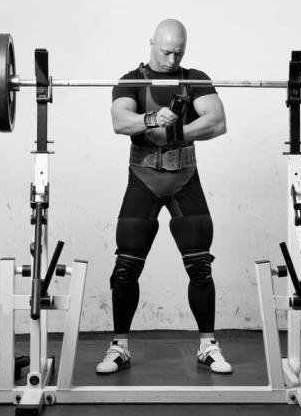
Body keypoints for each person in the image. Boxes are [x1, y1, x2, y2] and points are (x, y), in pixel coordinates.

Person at [97, 19, 231, 375]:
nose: (172, 58)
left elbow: (217, 122)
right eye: (165, 50)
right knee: (125, 267)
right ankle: (119, 346)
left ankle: (208, 345)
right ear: (151, 43)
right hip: (143, 179)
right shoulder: (131, 80)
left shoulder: (194, 78)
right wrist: (152, 116)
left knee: (200, 267)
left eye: (179, 51)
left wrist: (174, 132)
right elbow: (120, 121)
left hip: (185, 179)